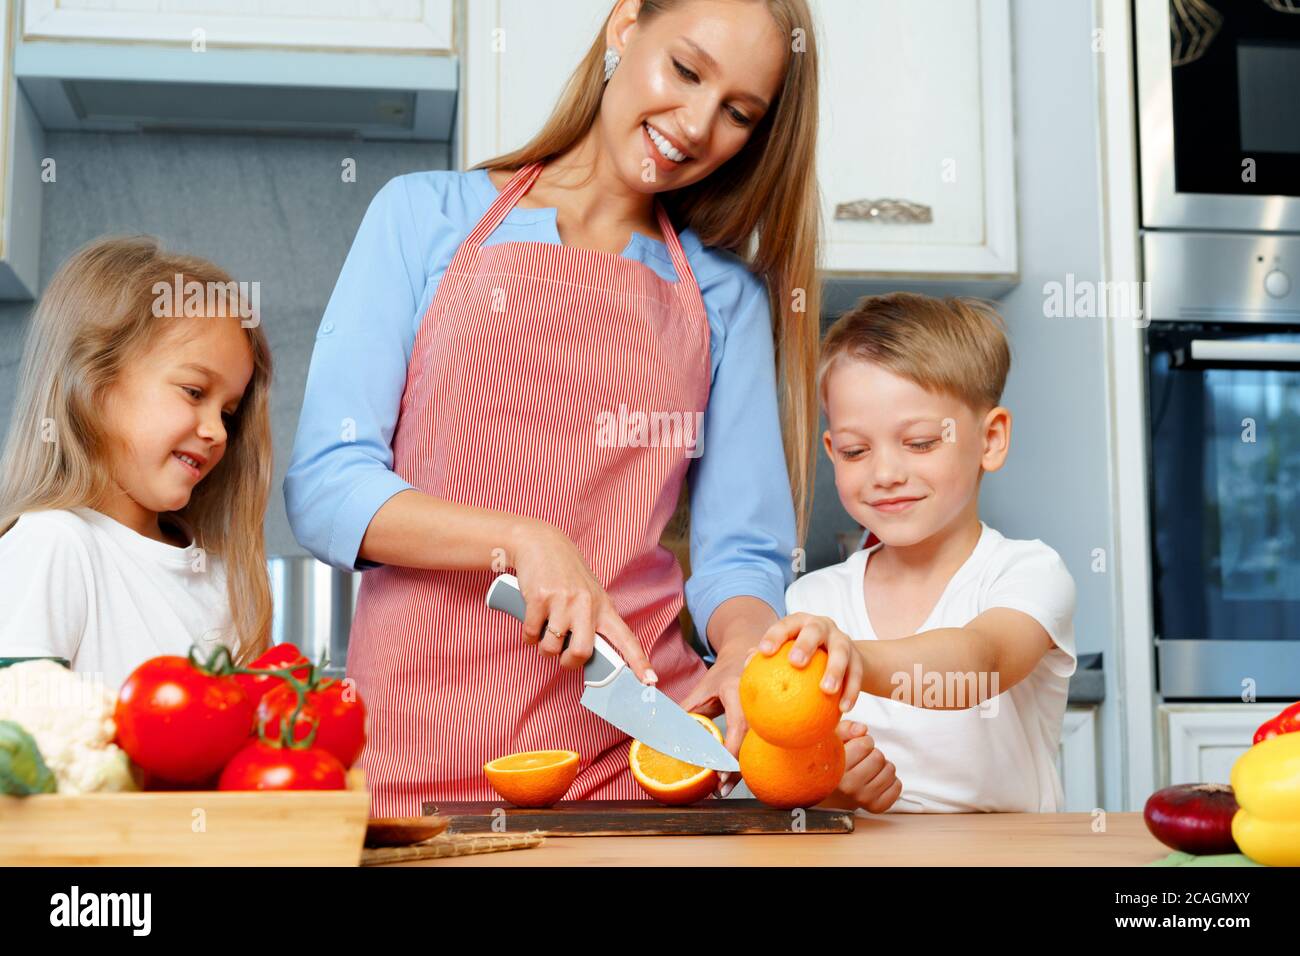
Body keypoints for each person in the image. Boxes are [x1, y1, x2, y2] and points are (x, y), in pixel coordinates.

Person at [285, 0, 826, 815]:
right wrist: (523, 541)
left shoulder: (727, 300)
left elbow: (742, 556)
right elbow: (326, 489)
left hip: (628, 759)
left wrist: (748, 646)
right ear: (622, 27)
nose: (697, 124)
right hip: (411, 751)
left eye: (738, 113)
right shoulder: (422, 216)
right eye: (686, 70)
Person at [761, 292, 1079, 813]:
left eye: (921, 442)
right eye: (855, 451)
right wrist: (833, 787)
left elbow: (981, 662)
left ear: (991, 439)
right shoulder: (812, 599)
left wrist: (855, 659)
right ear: (831, 452)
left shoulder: (1027, 573)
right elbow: (800, 788)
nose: (885, 473)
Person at [0, 236, 274, 692]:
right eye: (194, 392)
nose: (219, 432)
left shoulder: (222, 579)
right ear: (95, 383)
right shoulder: (56, 544)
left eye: (228, 412)